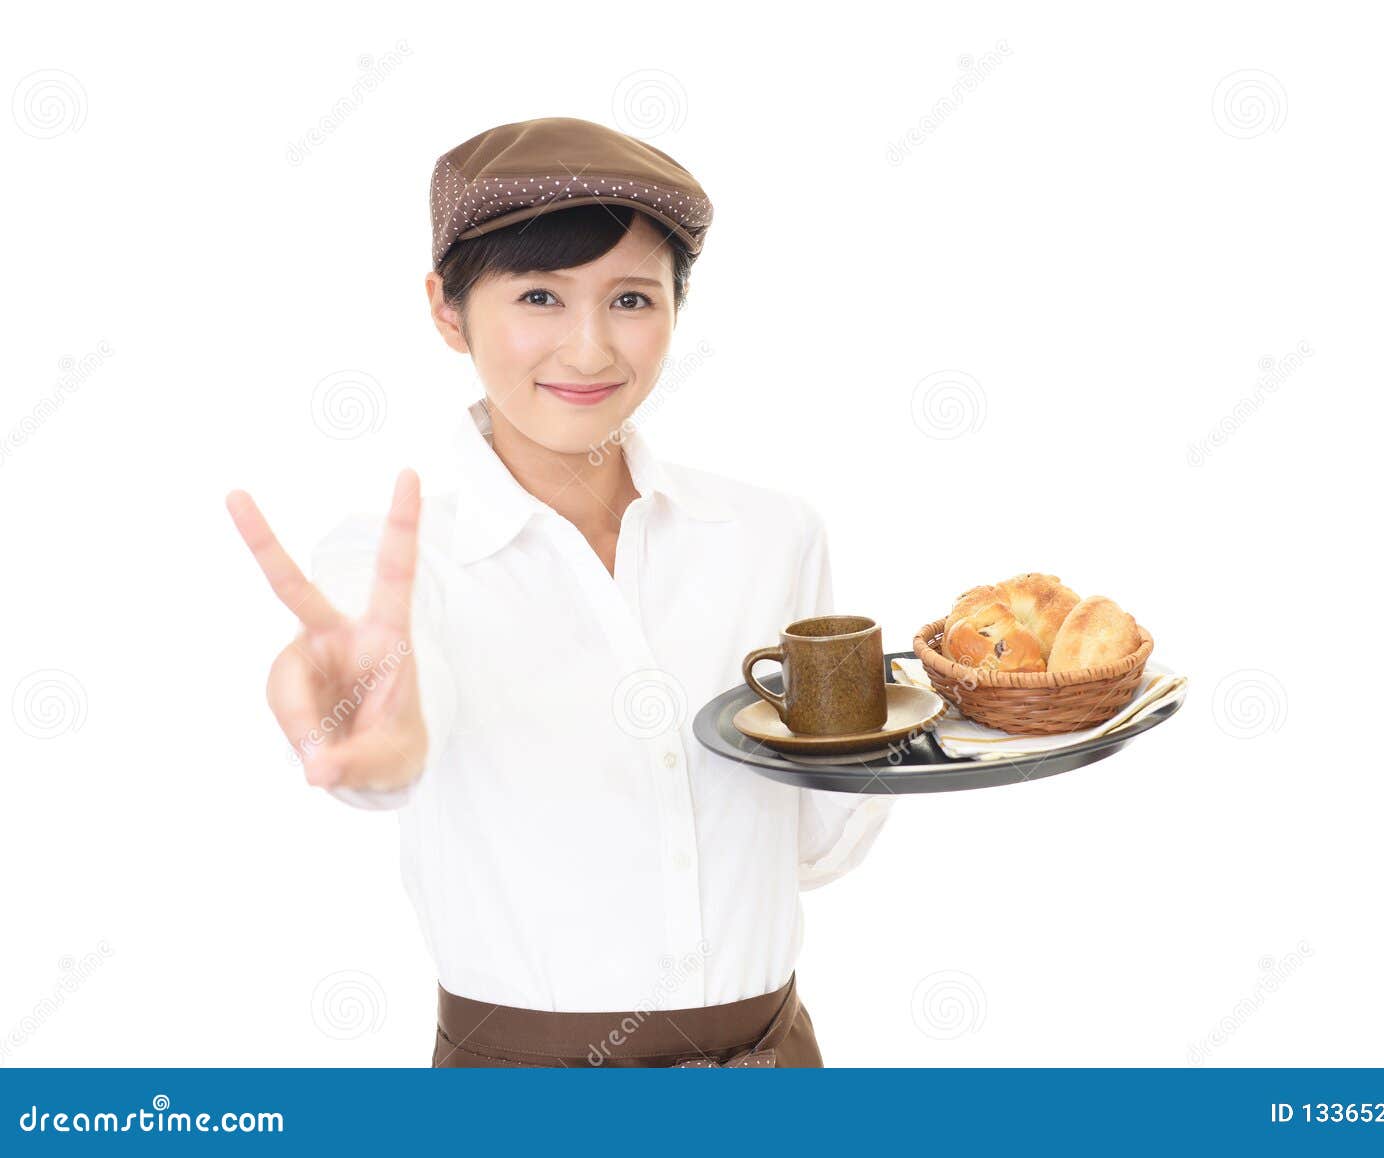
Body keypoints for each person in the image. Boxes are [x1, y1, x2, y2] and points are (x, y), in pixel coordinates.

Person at [224, 116, 893, 1067]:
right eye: (539, 295)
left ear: (676, 309)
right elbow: (381, 717)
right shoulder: (396, 564)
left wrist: (919, 725)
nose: (589, 350)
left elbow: (818, 850)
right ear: (446, 311)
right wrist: (365, 726)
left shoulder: (772, 535)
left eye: (631, 298)